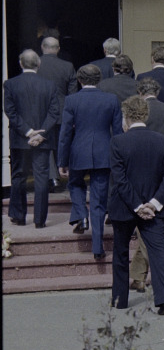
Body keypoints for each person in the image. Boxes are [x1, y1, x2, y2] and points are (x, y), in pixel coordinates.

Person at [107, 95, 164, 316]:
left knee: (120, 252)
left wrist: (138, 206)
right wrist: (154, 203)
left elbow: (120, 179)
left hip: (124, 207)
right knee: (159, 251)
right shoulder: (163, 141)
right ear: (145, 115)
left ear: (126, 117)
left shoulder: (118, 141)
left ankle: (119, 299)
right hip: (155, 207)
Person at [56, 64, 122, 256]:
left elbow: (65, 133)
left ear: (79, 80)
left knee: (75, 185)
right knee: (99, 201)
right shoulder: (111, 99)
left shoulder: (71, 100)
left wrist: (62, 160)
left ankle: (81, 215)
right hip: (104, 152)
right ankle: (97, 247)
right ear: (99, 79)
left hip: (78, 151)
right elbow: (117, 133)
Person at [5, 50, 62, 228]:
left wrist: (28, 132)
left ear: (21, 64)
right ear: (38, 64)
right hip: (43, 139)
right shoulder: (50, 85)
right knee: (41, 178)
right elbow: (54, 113)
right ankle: (39, 220)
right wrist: (40, 134)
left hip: (20, 139)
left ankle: (19, 215)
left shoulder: (10, 84)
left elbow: (10, 112)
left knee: (19, 177)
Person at [36, 37, 76, 189]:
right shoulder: (68, 66)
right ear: (58, 49)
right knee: (63, 143)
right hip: (62, 111)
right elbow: (72, 94)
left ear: (42, 47)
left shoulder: (36, 65)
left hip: (42, 111)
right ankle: (66, 173)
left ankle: (53, 178)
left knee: (45, 145)